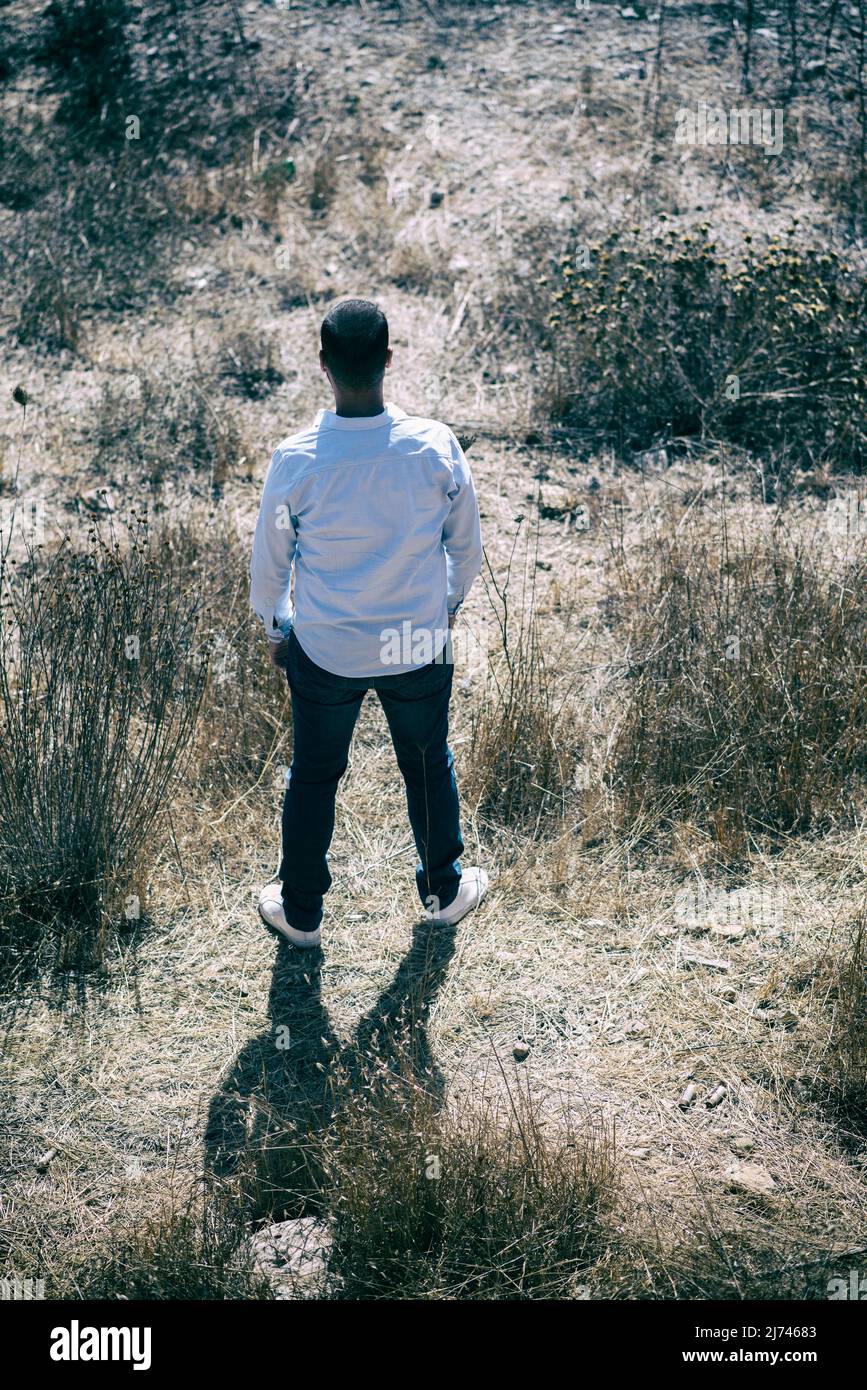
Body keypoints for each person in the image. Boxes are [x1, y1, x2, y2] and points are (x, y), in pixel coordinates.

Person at [249, 297, 487, 949]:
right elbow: (465, 549)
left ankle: (301, 913)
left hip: (326, 647)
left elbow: (270, 563)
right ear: (389, 358)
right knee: (424, 762)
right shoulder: (433, 447)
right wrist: (443, 610)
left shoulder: (296, 460)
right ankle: (442, 890)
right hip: (415, 642)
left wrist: (277, 629)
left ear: (321, 365)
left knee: (315, 771)